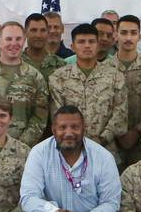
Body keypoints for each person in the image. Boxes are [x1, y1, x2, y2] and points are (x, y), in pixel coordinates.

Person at [49, 23, 129, 160]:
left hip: (106, 152)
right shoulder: (58, 78)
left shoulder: (115, 76)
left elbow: (120, 115)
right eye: (81, 42)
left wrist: (101, 140)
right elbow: (57, 115)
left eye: (91, 41)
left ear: (98, 45)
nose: (87, 45)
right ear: (72, 47)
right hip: (69, 152)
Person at [111, 15, 141, 165]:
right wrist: (117, 133)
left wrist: (137, 131)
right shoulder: (103, 69)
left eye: (133, 33)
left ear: (140, 36)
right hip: (111, 142)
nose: (128, 38)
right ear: (115, 35)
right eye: (123, 33)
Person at [24, 12, 69, 80]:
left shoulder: (62, 66)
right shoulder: (14, 62)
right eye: (33, 30)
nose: (38, 35)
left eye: (43, 30)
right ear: (25, 32)